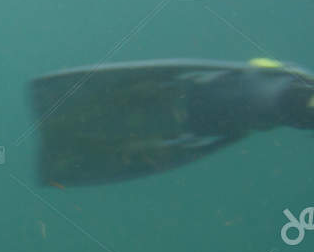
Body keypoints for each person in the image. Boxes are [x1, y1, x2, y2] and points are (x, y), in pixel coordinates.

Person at [30, 57, 314, 185]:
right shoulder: (280, 90)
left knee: (277, 101)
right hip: (201, 113)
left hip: (202, 109)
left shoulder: (278, 89)